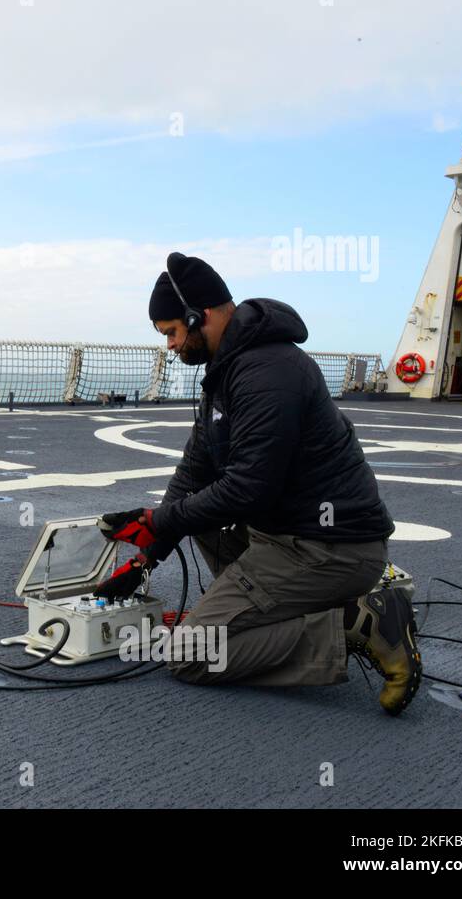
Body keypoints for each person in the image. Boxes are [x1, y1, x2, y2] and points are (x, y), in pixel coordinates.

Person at [96, 252, 422, 716]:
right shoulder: (227, 373)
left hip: (328, 549)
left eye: (171, 331)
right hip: (290, 536)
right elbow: (191, 476)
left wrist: (156, 520)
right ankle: (278, 608)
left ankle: (355, 624)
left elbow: (248, 489)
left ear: (198, 316)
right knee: (198, 518)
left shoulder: (267, 373)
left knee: (189, 653)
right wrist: (146, 560)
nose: (169, 345)